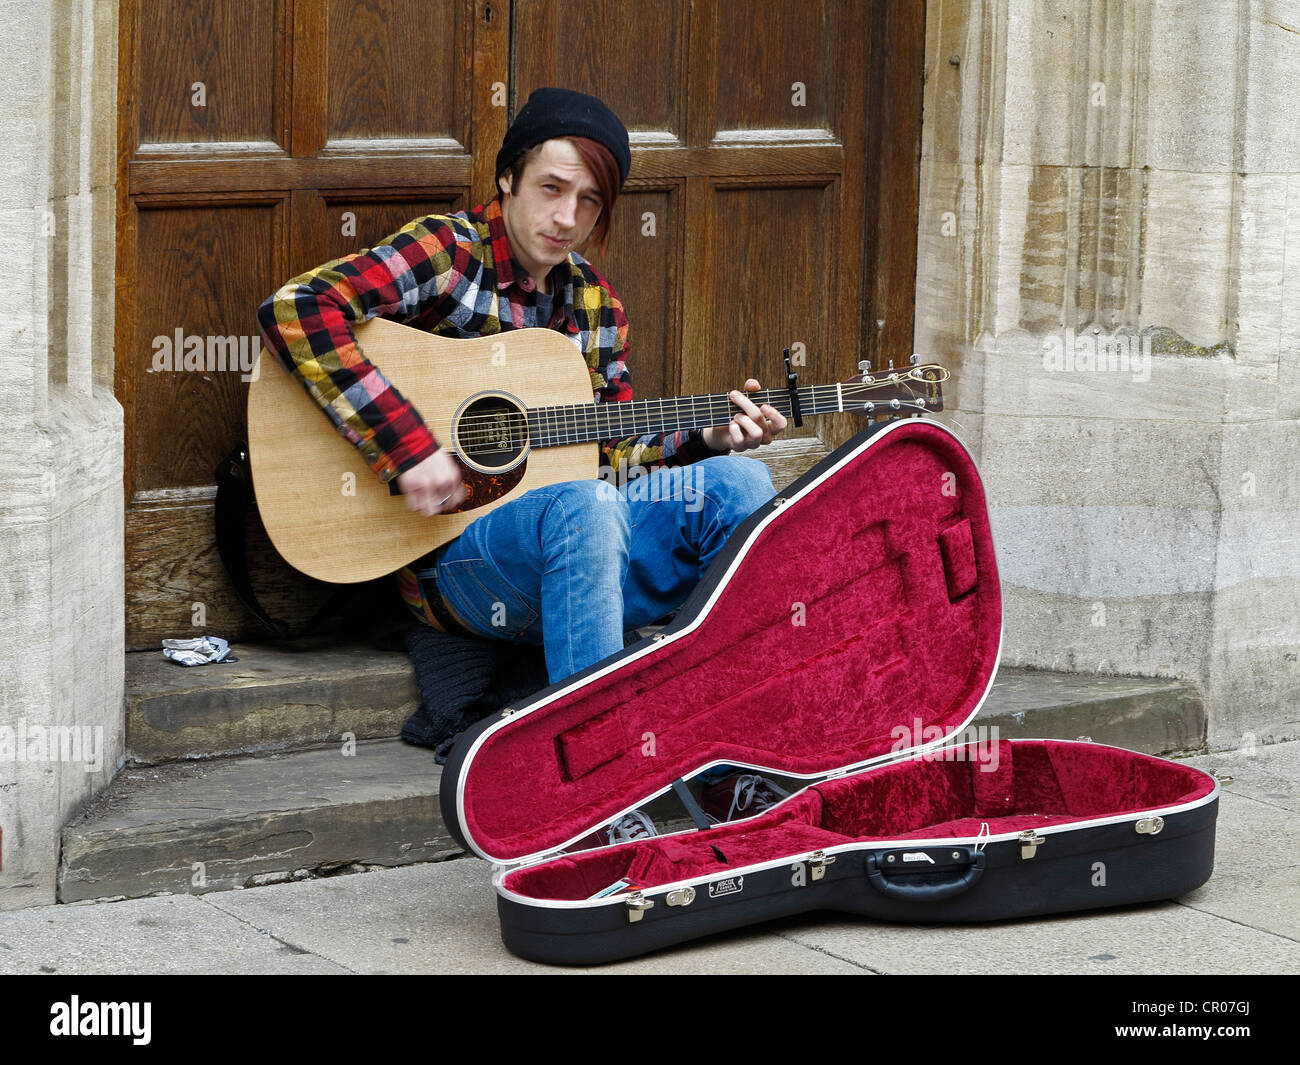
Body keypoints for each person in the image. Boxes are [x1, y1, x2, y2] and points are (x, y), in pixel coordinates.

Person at [257, 88, 788, 689]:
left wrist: (707, 437)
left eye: (590, 201)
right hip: (456, 569)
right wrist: (408, 448)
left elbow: (610, 455)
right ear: (508, 177)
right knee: (589, 505)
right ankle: (595, 743)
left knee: (743, 482)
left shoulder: (595, 303)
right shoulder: (450, 254)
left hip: (583, 555)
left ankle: (749, 703)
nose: (567, 219)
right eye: (552, 188)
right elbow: (297, 308)